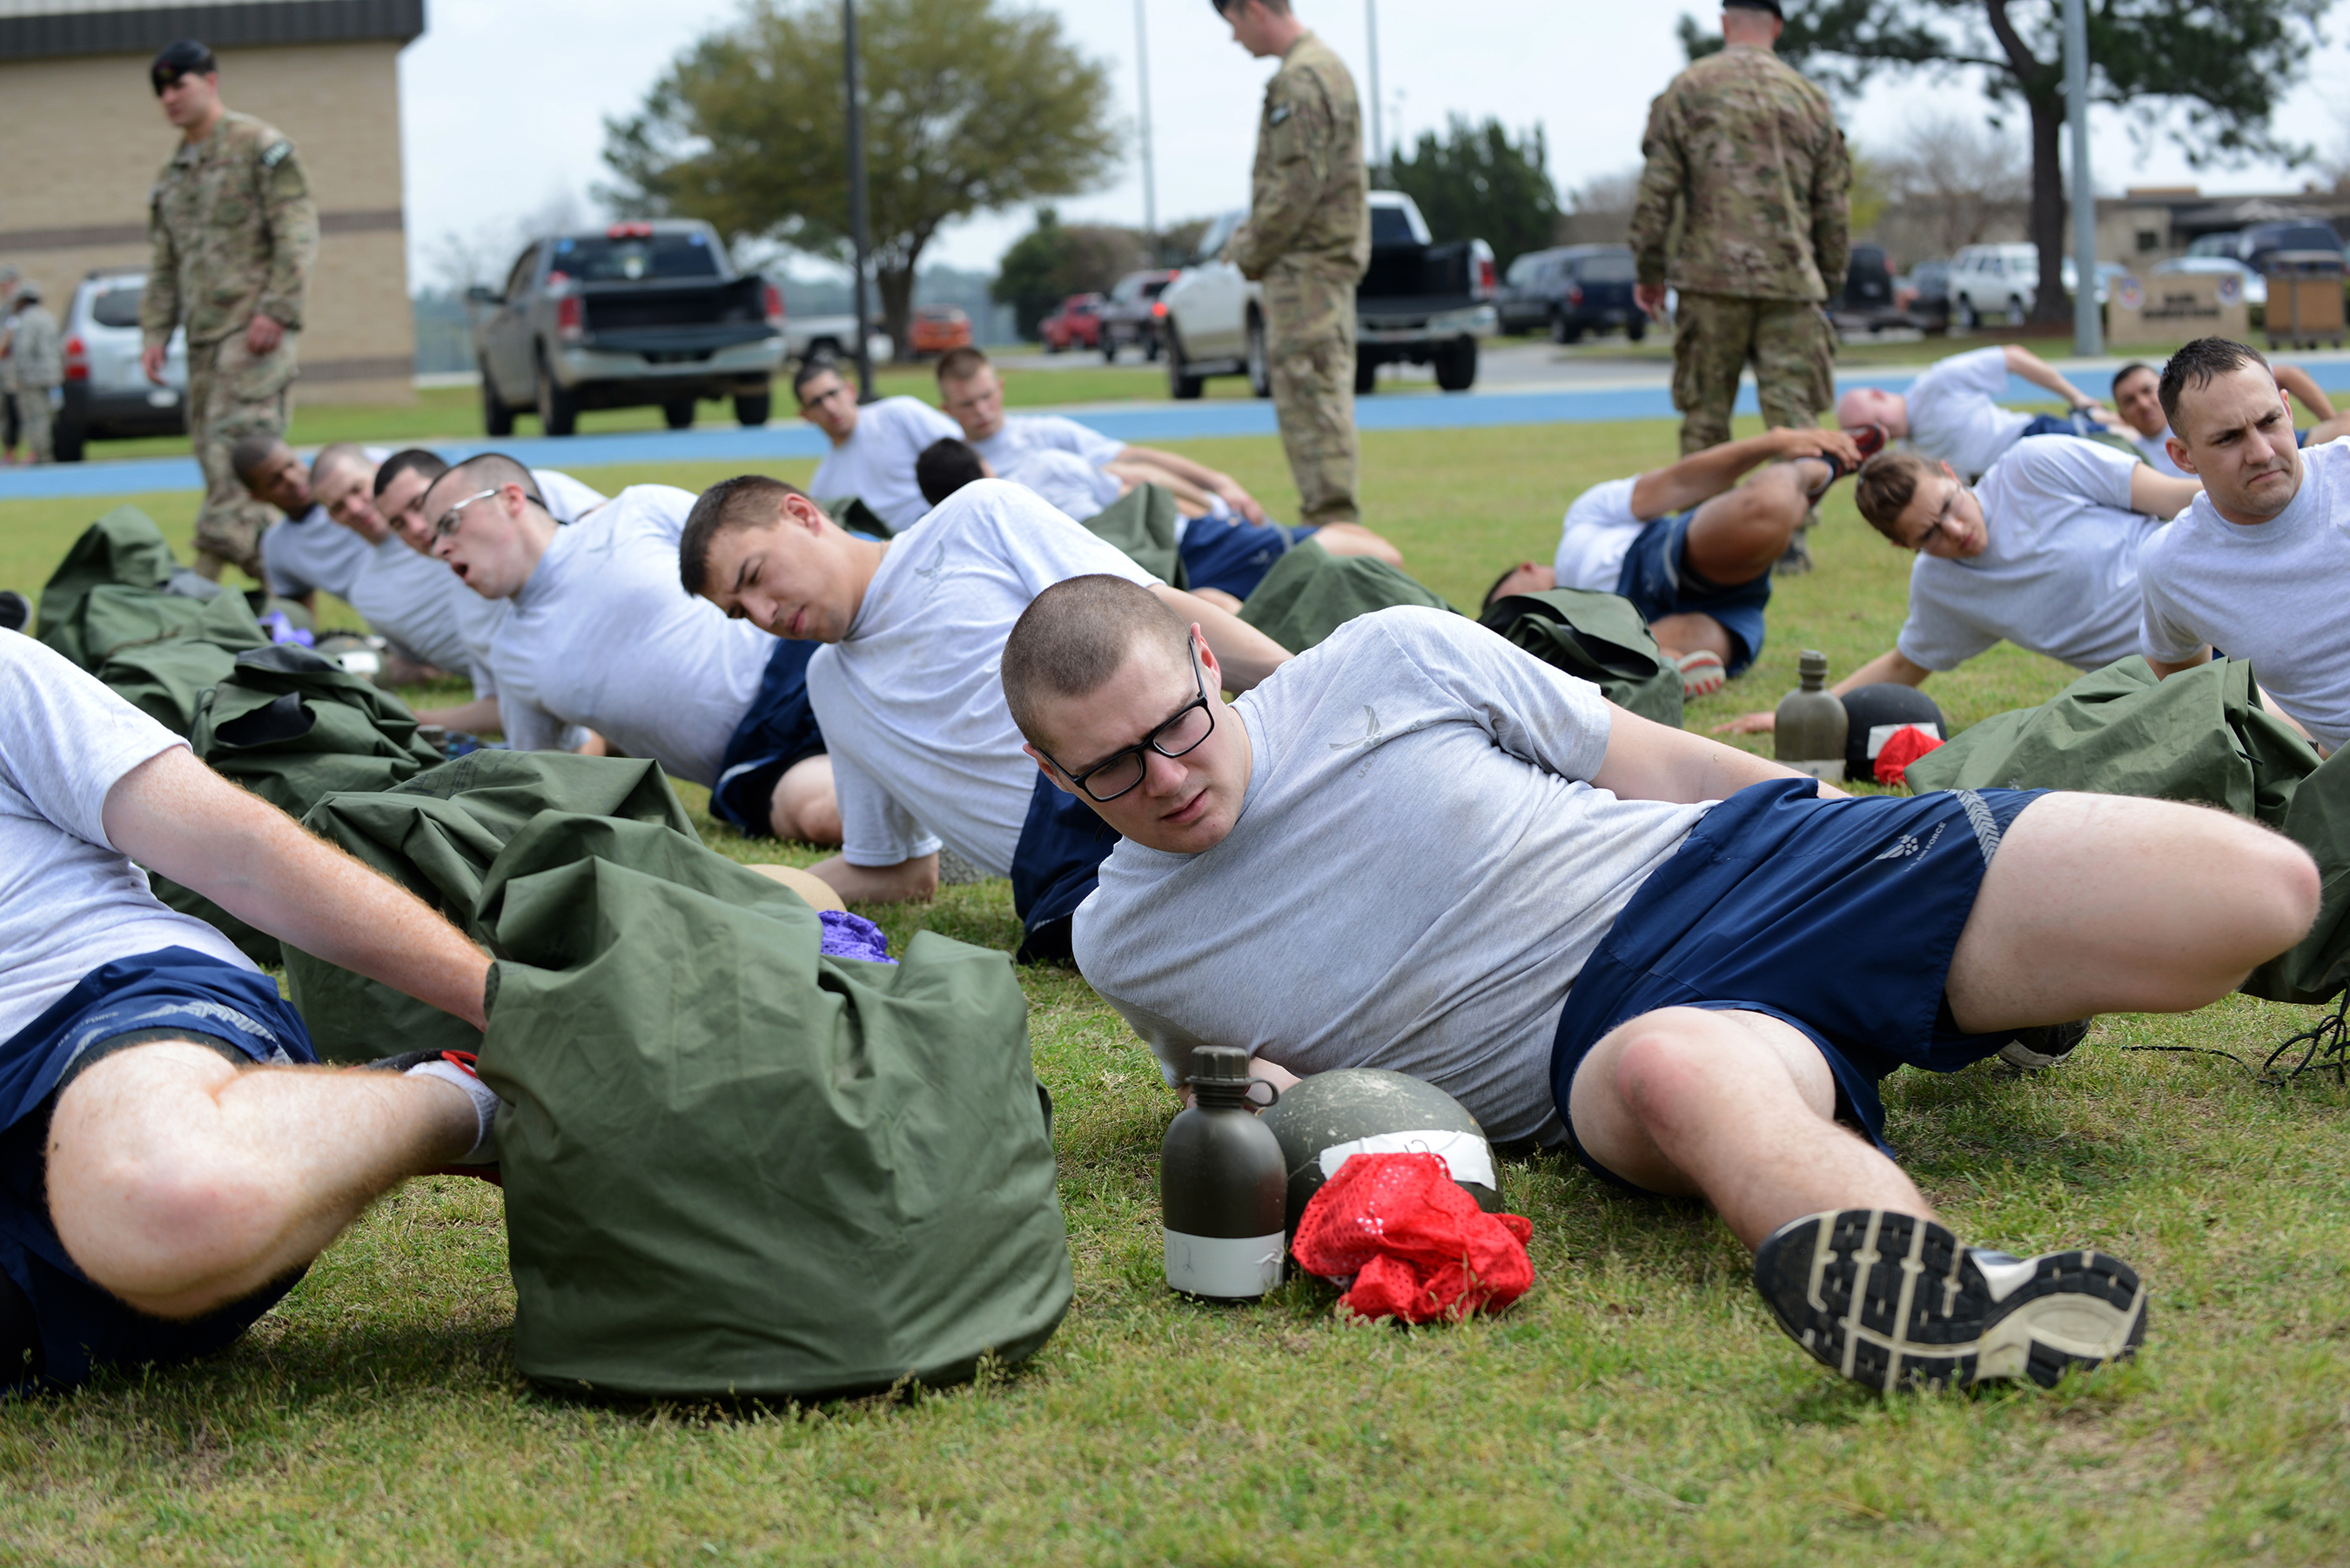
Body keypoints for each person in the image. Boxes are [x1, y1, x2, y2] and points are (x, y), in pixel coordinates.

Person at [1001, 578, 2318, 1390]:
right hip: (1616, 1038)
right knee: (1681, 1072)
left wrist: (1849, 824)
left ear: (1206, 657)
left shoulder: (1394, 659)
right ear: (1057, 777)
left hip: (1747, 861)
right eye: (1112, 767)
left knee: (2262, 897)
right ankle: (1947, 1295)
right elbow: (1229, 1084)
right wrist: (1279, 1097)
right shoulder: (1126, 940)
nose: (1167, 777)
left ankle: (1998, 987)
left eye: (1176, 723)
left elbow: (1669, 765)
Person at [0, 629, 502, 1395]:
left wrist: (494, 1001)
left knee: (165, 1195)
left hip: (93, 999)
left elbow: (237, 853)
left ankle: (457, 1098)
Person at [675, 476, 1289, 922]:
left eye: (754, 577)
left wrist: (1301, 676)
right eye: (739, 612)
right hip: (1066, 872)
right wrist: (754, 890)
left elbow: (1154, 612)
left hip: (1143, 761)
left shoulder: (976, 516)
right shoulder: (828, 686)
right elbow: (900, 870)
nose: (762, 615)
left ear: (802, 514)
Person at [420, 454, 838, 843]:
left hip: (805, 663)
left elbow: (779, 545)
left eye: (449, 524)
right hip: (758, 763)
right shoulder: (510, 655)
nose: (437, 550)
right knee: (823, 814)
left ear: (510, 498)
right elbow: (547, 775)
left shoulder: (638, 511)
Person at [1720, 438, 2203, 734]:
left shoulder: (2032, 466)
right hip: (2175, 682)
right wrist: (1807, 709)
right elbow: (1905, 664)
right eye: (1929, 534)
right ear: (1903, 548)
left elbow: (2176, 496)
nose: (1955, 531)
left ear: (1951, 474)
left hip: (2214, 604)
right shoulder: (1940, 587)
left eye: (1949, 505)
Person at [1481, 426, 1871, 697]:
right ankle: (1665, 669)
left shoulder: (1580, 523)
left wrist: (1776, 442)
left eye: (1507, 604)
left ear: (1525, 568)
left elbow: (1681, 482)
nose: (1516, 620)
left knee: (1766, 509)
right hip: (1650, 631)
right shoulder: (1553, 644)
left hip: (1662, 562)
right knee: (1694, 642)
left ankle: (1807, 473)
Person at [1629, 0, 1848, 468]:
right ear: (1778, 26)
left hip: (1710, 283)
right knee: (1797, 424)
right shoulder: (1809, 98)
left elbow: (1656, 195)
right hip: (1791, 285)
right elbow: (1833, 206)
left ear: (1726, 22)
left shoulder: (1689, 89)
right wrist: (1828, 281)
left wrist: (1649, 272)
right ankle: (1791, 539)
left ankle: (1701, 538)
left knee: (1705, 423)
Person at [139, 41, 318, 584]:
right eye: (162, 90)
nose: (170, 97)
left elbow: (296, 233)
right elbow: (166, 261)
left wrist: (277, 310)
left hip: (253, 334)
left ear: (211, 82)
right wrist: (155, 331)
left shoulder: (259, 146)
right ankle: (285, 587)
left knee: (240, 459)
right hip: (204, 341)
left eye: (180, 84)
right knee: (219, 464)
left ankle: (203, 581)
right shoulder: (173, 174)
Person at [2138, 338, 2350, 754]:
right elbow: (2185, 686)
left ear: (2288, 410)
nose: (2261, 452)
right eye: (2229, 438)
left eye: (2270, 421)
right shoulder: (2172, 565)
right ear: (2183, 456)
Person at [1212, 0, 1371, 530]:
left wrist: (1248, 248)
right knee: (1321, 402)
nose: (1235, 39)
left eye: (1232, 23)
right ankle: (1333, 530)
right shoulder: (1326, 66)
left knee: (1313, 409)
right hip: (1321, 271)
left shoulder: (1300, 78)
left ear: (1253, 9)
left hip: (1306, 274)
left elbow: (1297, 186)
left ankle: (1336, 541)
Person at [934, 347, 1266, 519]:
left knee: (1120, 475)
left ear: (1001, 388)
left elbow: (1134, 459)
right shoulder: (956, 471)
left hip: (1165, 525)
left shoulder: (1046, 432)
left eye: (987, 396)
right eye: (967, 404)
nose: (982, 411)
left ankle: (1218, 517)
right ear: (947, 409)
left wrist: (1218, 483)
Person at [1836, 345, 2132, 484]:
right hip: (2004, 486)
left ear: (1879, 394)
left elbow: (2013, 357)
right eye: (1868, 433)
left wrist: (2076, 397)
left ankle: (2106, 422)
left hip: (2032, 439)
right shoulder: (1905, 456)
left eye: (1876, 422)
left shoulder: (1938, 382)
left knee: (2124, 451)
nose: (1879, 433)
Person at [2112, 357, 2350, 480]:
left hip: (2290, 446)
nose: (2143, 404)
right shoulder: (2135, 457)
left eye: (2146, 391)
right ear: (2182, 455)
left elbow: (2289, 374)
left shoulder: (2197, 392)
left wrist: (2329, 420)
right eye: (2130, 401)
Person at [796, 360, 961, 533]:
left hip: (944, 527)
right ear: (806, 415)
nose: (829, 407)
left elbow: (968, 456)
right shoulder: (823, 487)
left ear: (850, 390)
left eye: (832, 393)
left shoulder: (900, 415)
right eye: (816, 402)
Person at [236, 434, 372, 614]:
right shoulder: (278, 547)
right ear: (258, 496)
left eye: (291, 464)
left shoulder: (358, 486)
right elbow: (299, 620)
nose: (292, 479)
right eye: (276, 480)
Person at [3, 282, 61, 466]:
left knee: (35, 418)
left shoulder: (25, 320)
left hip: (31, 378)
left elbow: (23, 350)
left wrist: (17, 377)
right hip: (52, 376)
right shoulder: (48, 317)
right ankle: (45, 452)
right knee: (48, 415)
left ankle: (41, 455)